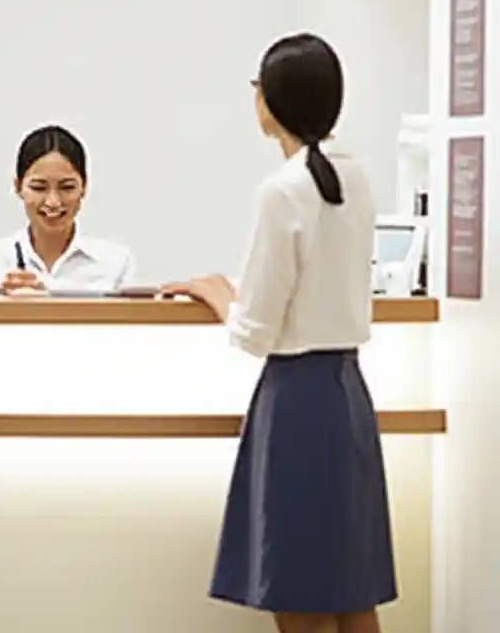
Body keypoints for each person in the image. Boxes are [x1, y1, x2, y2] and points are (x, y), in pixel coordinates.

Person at [164, 33, 394, 633]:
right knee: (351, 593)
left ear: (270, 103)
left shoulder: (282, 190)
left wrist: (214, 291)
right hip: (348, 397)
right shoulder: (358, 176)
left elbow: (254, 331)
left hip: (295, 403)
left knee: (301, 600)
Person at [0, 124, 135, 297]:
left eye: (67, 187)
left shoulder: (116, 262)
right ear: (18, 187)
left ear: (84, 187)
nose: (53, 202)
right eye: (39, 188)